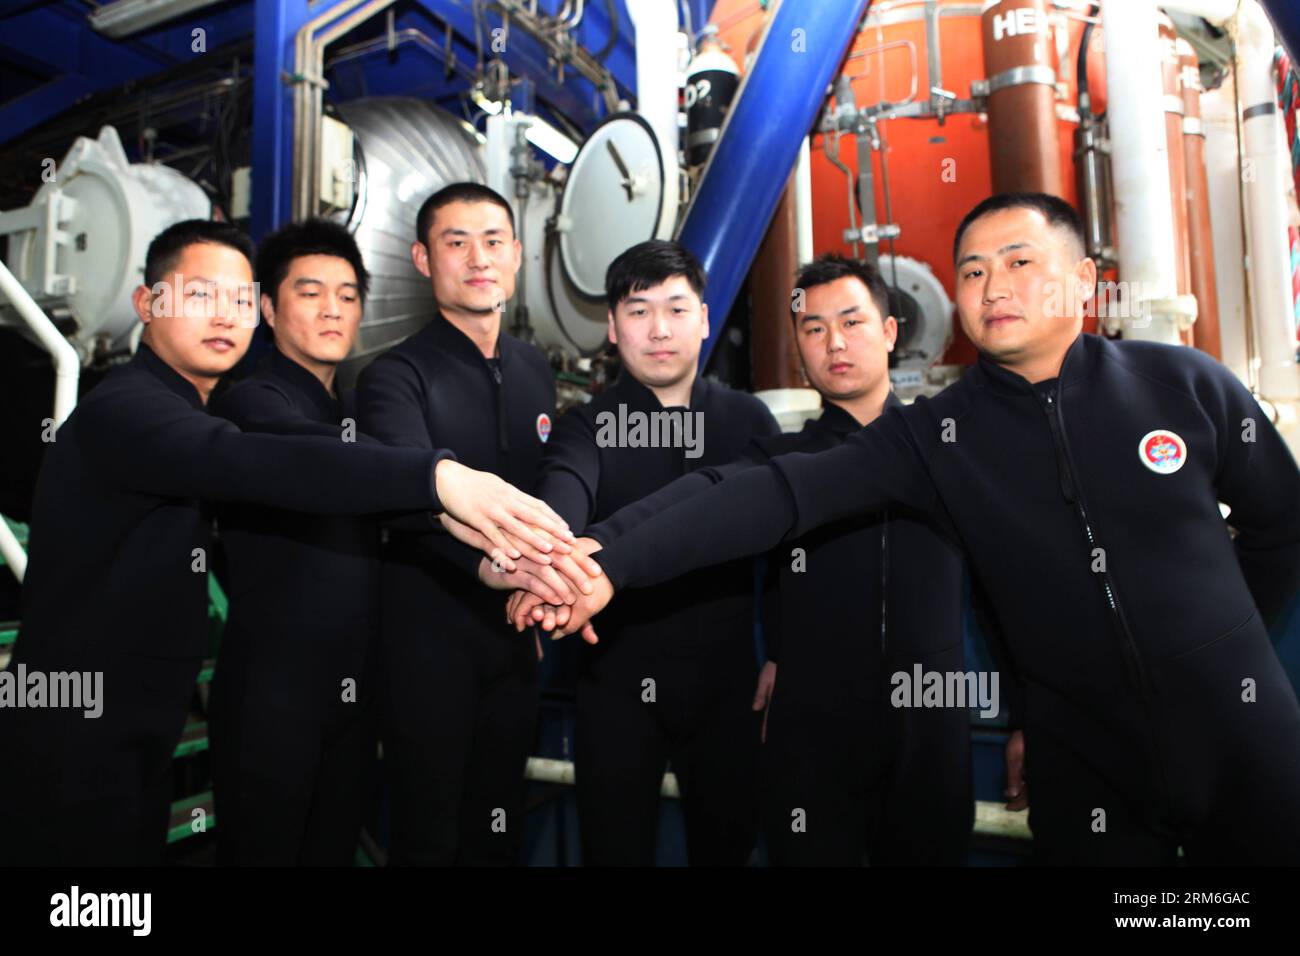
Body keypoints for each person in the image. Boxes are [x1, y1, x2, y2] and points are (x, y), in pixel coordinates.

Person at [513, 192, 1300, 865]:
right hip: (1088, 765)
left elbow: (1281, 529)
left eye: (1020, 262)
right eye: (972, 271)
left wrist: (1215, 651)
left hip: (1241, 739)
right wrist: (607, 561)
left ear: (1084, 279)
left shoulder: (1184, 383)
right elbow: (763, 493)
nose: (994, 286)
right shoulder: (940, 437)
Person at [0, 219, 570, 866]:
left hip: (139, 722)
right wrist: (435, 476)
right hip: (76, 730)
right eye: (199, 295)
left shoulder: (195, 405)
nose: (225, 316)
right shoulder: (127, 409)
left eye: (238, 299)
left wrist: (484, 557)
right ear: (146, 303)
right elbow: (252, 460)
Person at [559, 252, 975, 865]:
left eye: (853, 322)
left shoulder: (951, 448)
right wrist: (596, 555)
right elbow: (712, 501)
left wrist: (1027, 708)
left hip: (930, 726)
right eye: (812, 328)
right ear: (798, 352)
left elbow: (1009, 581)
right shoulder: (785, 457)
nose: (834, 342)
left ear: (890, 332)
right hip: (811, 735)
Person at [356, 183, 598, 865]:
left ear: (517, 255)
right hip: (424, 647)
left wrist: (547, 585)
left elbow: (544, 491)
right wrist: (496, 569)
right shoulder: (392, 377)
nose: (477, 257)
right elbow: (409, 501)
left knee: (497, 828)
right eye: (454, 242)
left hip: (515, 647)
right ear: (423, 260)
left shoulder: (530, 368)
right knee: (430, 836)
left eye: (492, 241)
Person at [533, 239, 780, 865]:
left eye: (676, 308)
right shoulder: (586, 425)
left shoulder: (749, 421)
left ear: (704, 318)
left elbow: (788, 547)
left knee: (727, 847)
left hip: (727, 687)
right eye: (639, 311)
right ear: (612, 328)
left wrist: (782, 651)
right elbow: (564, 494)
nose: (660, 329)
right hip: (614, 684)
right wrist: (546, 560)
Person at [209, 219, 385, 865]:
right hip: (272, 695)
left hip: (353, 691)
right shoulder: (252, 403)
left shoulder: (356, 411)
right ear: (267, 308)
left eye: (347, 294)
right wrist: (436, 476)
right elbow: (327, 463)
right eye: (310, 292)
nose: (333, 308)